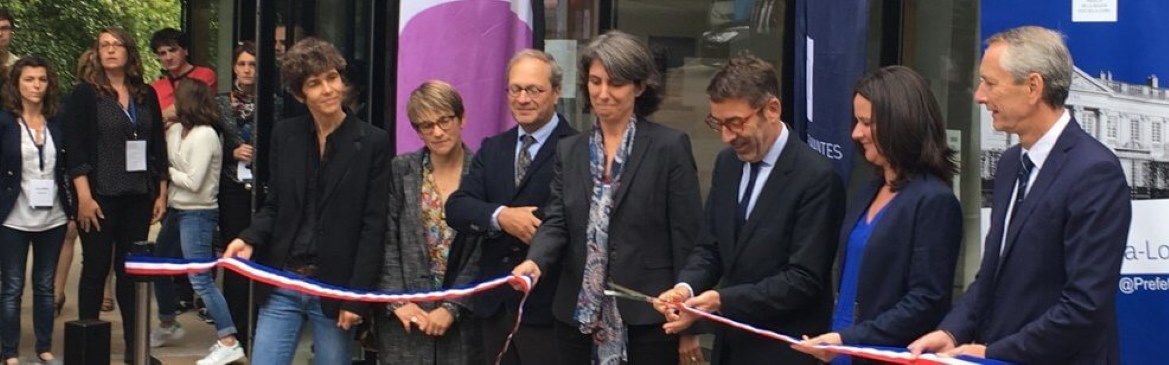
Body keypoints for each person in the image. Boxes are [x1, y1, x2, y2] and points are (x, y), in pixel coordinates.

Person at [907, 26, 1132, 364]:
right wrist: (951, 331)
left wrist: (994, 353)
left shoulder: (1095, 172)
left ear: (1032, 87)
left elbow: (1084, 305)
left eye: (991, 83)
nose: (979, 96)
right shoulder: (1011, 164)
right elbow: (992, 275)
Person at [512, 30, 704, 364]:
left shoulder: (668, 147)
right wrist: (536, 261)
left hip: (649, 317)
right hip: (577, 317)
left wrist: (688, 322)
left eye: (615, 83)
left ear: (639, 87)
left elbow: (686, 237)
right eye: (595, 81)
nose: (603, 93)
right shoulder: (569, 149)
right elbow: (557, 219)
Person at [652, 53, 845, 365]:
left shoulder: (816, 178)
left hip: (784, 351)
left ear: (772, 110)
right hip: (731, 349)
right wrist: (684, 290)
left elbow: (803, 279)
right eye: (718, 123)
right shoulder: (727, 165)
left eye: (736, 123)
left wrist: (722, 300)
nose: (727, 137)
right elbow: (710, 247)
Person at [221, 37, 389, 365]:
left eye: (332, 78)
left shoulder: (373, 142)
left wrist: (356, 297)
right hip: (284, 278)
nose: (327, 89)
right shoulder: (285, 135)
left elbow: (374, 227)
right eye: (315, 83)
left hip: (334, 285)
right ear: (300, 94)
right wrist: (247, 237)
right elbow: (275, 205)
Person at [791, 65, 962, 364]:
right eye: (856, 121)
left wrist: (850, 339)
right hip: (843, 351)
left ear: (900, 123)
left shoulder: (935, 201)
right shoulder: (869, 189)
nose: (856, 133)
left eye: (866, 122)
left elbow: (926, 301)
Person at [445, 49, 577, 364]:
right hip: (495, 307)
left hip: (548, 308)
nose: (523, 98)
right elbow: (458, 208)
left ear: (556, 92)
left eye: (534, 90)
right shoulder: (493, 148)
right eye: (515, 89)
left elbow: (572, 220)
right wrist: (501, 216)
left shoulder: (576, 149)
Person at [65, 27, 167, 365]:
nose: (110, 50)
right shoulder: (85, 94)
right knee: (95, 269)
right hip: (99, 196)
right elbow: (76, 147)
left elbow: (158, 147)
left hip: (138, 194)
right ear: (97, 52)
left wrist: (161, 190)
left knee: (132, 273)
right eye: (104, 45)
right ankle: (88, 352)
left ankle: (135, 350)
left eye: (117, 45)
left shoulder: (145, 94)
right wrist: (83, 195)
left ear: (129, 52)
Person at [377, 80, 480, 364]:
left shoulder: (483, 171)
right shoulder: (400, 170)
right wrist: (398, 301)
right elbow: (386, 239)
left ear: (462, 118)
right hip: (406, 319)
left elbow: (483, 251)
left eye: (444, 120)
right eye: (426, 125)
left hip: (463, 325)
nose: (437, 131)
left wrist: (453, 307)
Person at [145, 79, 246, 365]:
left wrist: (168, 170)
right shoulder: (176, 130)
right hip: (177, 211)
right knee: (160, 265)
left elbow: (193, 180)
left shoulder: (206, 135)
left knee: (200, 279)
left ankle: (228, 340)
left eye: (177, 99)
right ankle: (168, 323)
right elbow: (167, 161)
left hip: (199, 213)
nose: (172, 105)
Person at [0, 55, 72, 365]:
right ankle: (10, 351)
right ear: (17, 84)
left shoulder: (57, 121)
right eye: (29, 79)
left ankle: (44, 347)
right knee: (12, 287)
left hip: (52, 216)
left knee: (45, 287)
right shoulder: (4, 121)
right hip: (14, 217)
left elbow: (65, 167)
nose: (36, 85)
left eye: (41, 79)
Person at [214, 40, 258, 350]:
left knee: (259, 257)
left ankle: (258, 325)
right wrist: (232, 153)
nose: (247, 70)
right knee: (234, 259)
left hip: (260, 189)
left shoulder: (274, 102)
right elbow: (207, 145)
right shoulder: (219, 103)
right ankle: (235, 330)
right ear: (234, 68)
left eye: (253, 65)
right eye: (242, 64)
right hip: (230, 186)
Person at [52, 49, 96, 317]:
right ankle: (57, 292)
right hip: (72, 172)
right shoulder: (70, 99)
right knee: (69, 230)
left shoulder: (119, 98)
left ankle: (106, 290)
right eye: (89, 66)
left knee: (103, 237)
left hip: (105, 174)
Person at [150, 28, 217, 124]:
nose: (168, 57)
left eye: (173, 50)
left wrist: (161, 117)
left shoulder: (204, 75)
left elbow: (192, 109)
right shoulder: (155, 87)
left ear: (186, 51)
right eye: (162, 53)